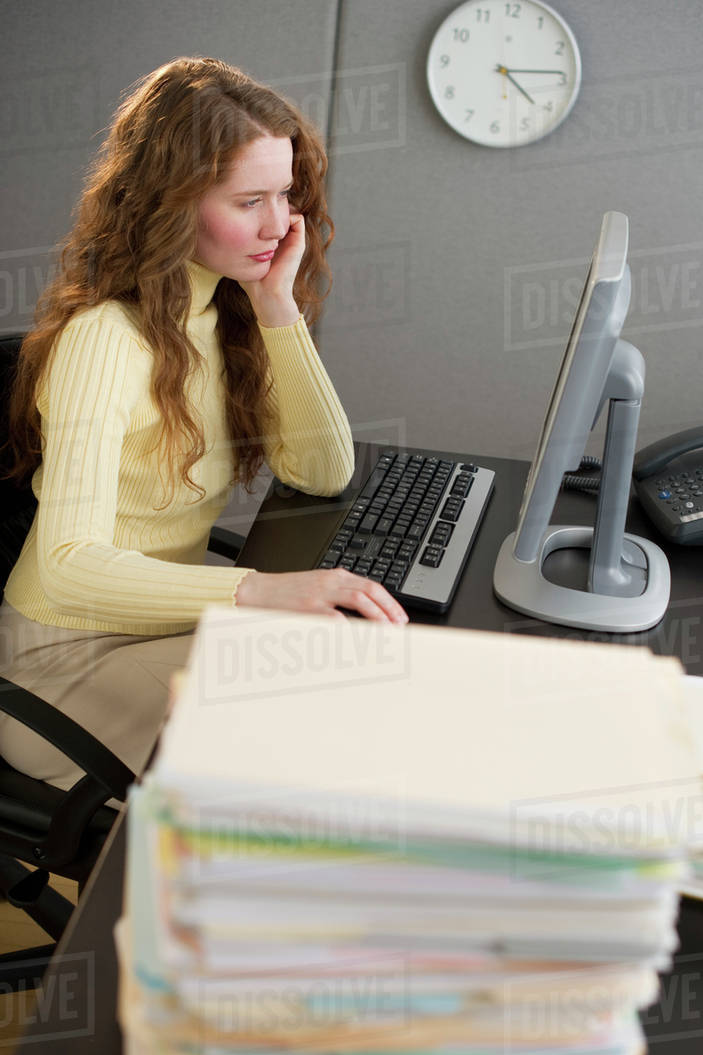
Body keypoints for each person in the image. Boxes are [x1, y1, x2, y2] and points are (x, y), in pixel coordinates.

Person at [0, 56, 407, 789]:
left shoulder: (222, 312)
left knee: (356, 675)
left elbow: (322, 471)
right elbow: (67, 564)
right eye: (249, 200)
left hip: (168, 630)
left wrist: (277, 305)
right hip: (63, 672)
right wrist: (258, 590)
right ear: (170, 203)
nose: (280, 224)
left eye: (285, 195)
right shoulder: (104, 338)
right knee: (329, 710)